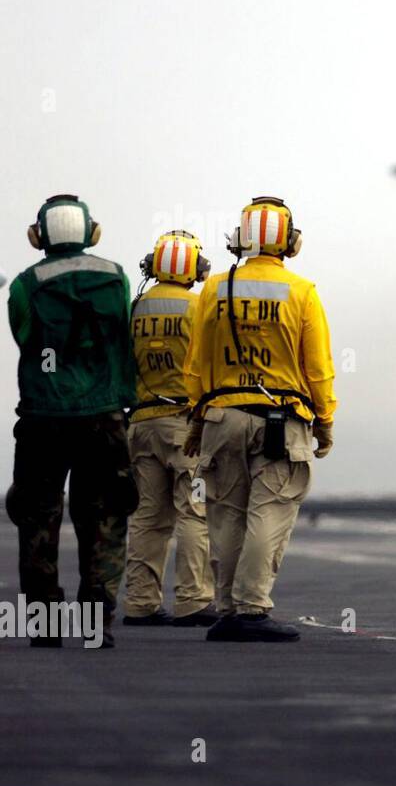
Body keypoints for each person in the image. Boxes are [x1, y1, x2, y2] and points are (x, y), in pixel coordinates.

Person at [183, 197, 337, 643]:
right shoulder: (302, 293)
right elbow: (319, 369)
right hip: (281, 421)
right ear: (290, 243)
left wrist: (197, 420)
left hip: (221, 416)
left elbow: (196, 365)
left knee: (225, 514)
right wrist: (324, 421)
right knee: (268, 512)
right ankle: (251, 610)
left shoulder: (213, 289)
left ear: (241, 239)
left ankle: (227, 607)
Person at [6, 195, 137, 647]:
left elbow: (24, 337)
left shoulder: (25, 284)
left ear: (37, 236)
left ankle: (42, 621)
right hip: (103, 417)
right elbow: (123, 333)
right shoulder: (115, 277)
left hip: (44, 418)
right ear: (91, 232)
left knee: (37, 518)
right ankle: (95, 620)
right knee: (104, 515)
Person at [122, 231, 218, 627]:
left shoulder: (136, 308)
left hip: (143, 423)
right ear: (195, 268)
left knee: (147, 517)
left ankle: (140, 603)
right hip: (186, 427)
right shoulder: (200, 307)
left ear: (152, 265)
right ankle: (194, 600)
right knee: (194, 513)